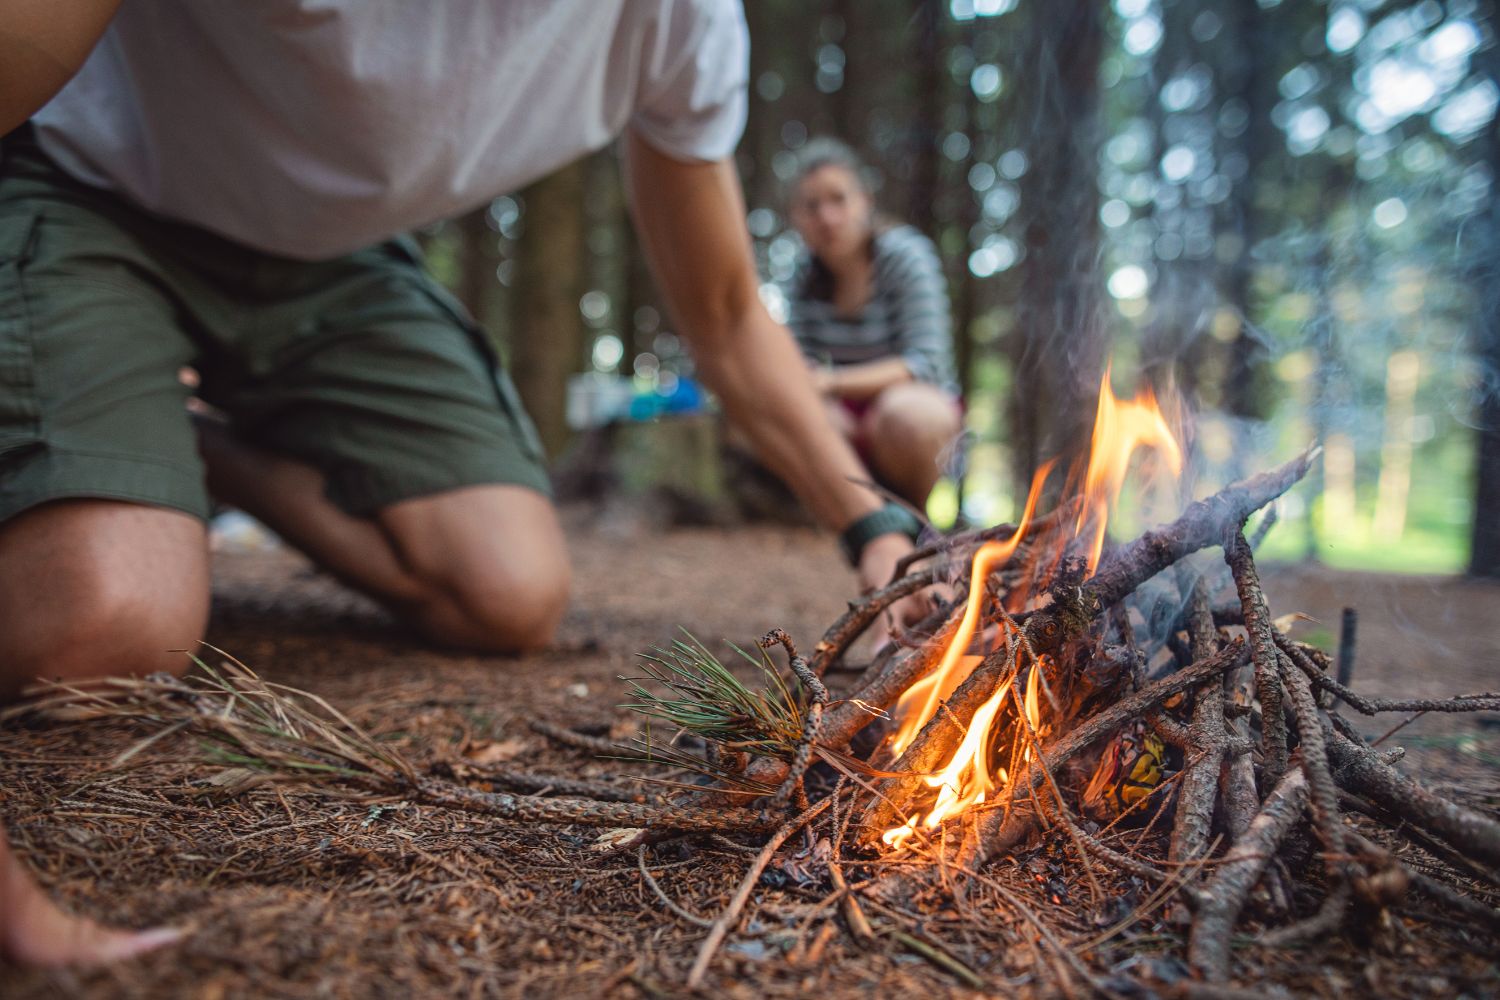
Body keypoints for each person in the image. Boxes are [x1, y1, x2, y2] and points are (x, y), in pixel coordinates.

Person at [0, 0, 931, 964]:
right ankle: (113, 442)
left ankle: (183, 437)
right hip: (91, 190)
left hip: (339, 261)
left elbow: (729, 315)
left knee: (508, 592)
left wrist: (871, 523)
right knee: (98, 634)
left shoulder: (679, 19)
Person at [782, 138, 964, 512]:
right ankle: (854, 520)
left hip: (911, 411)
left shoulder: (904, 256)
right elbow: (800, 366)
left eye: (838, 199)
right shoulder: (803, 276)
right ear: (797, 218)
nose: (827, 217)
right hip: (845, 418)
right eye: (811, 206)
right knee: (793, 417)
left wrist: (832, 383)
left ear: (864, 200)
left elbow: (925, 365)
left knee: (909, 417)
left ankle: (915, 522)